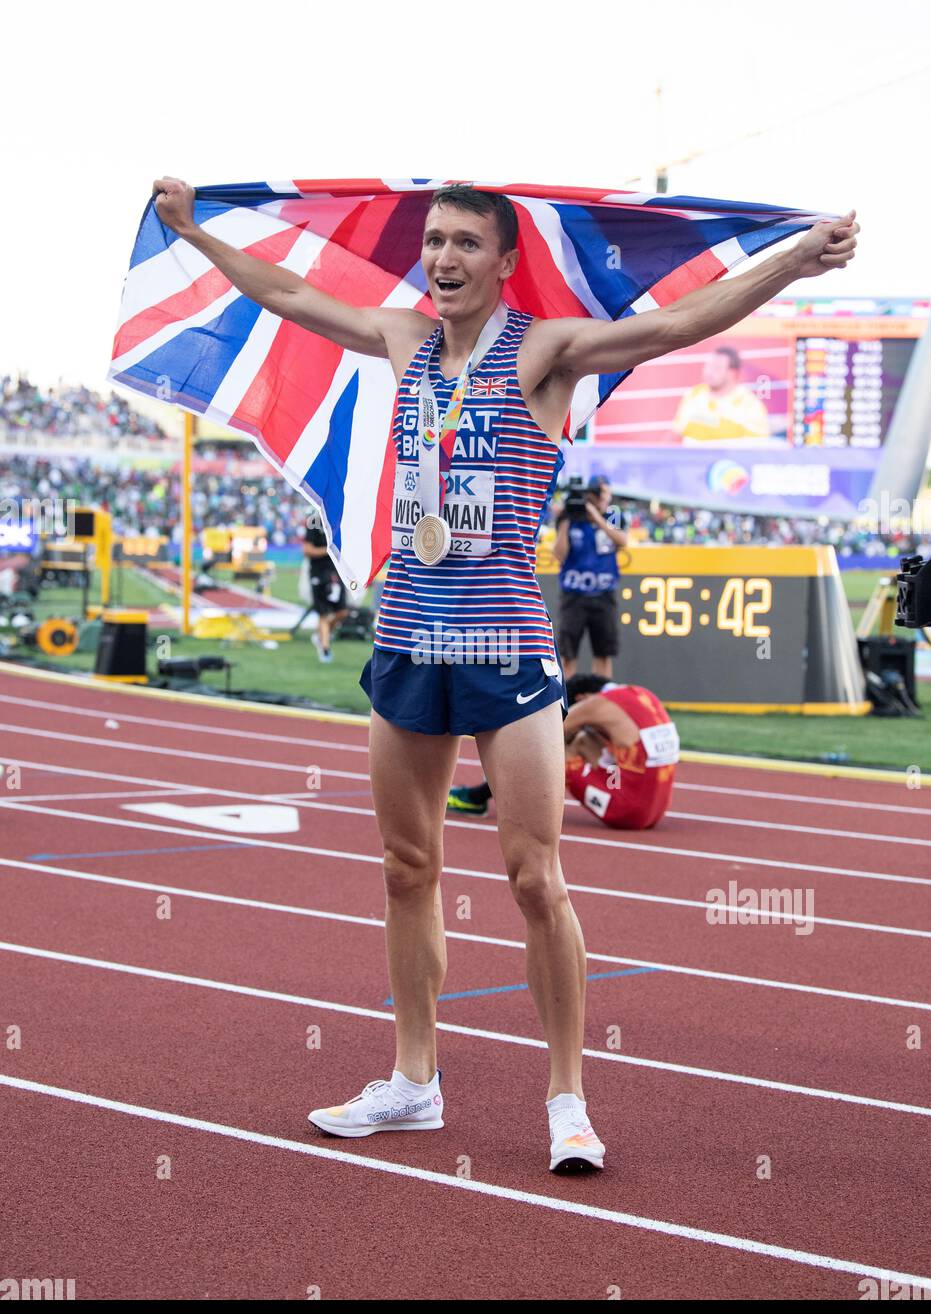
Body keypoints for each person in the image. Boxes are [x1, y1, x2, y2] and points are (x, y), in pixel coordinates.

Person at [153, 176, 858, 1175]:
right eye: (433, 241)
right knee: (407, 869)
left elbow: (682, 322)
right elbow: (296, 299)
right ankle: (413, 1081)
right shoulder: (402, 338)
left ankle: (567, 1097)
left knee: (535, 877)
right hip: (405, 640)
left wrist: (791, 259)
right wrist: (195, 232)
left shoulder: (545, 350)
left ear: (501, 260)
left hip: (507, 649)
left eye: (463, 244)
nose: (441, 258)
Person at [449, 674, 677, 829]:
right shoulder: (640, 694)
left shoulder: (595, 704)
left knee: (553, 749)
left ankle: (478, 798)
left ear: (580, 698)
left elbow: (541, 737)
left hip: (630, 813)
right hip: (656, 811)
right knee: (584, 740)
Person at [551, 477, 627, 681]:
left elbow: (622, 541)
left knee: (603, 653)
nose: (607, 498)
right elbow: (559, 554)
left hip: (603, 593)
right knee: (568, 654)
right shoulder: (571, 515)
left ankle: (600, 700)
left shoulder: (613, 513)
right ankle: (566, 705)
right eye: (603, 493)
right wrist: (566, 522)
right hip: (574, 596)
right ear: (592, 494)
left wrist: (597, 518)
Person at [672, 344, 772, 445]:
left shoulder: (751, 405)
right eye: (708, 366)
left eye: (716, 368)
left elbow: (758, 448)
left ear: (732, 373)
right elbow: (676, 434)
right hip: (691, 458)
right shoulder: (694, 395)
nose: (709, 372)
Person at [301, 510, 348, 662]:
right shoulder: (314, 521)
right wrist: (328, 550)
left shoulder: (339, 519)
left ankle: (321, 634)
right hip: (319, 573)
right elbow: (307, 549)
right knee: (323, 613)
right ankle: (325, 649)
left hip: (335, 573)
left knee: (342, 612)